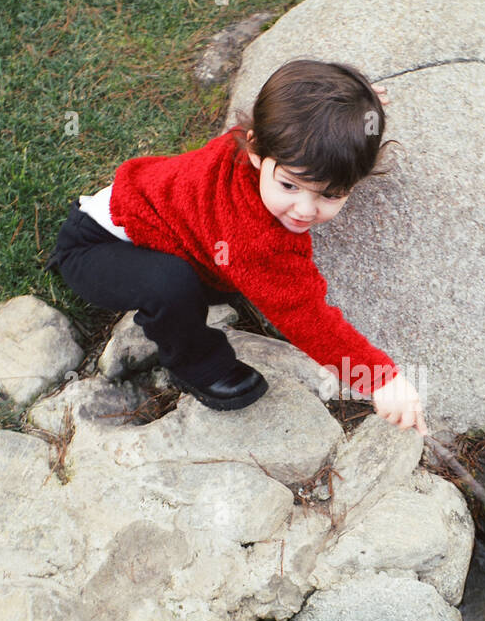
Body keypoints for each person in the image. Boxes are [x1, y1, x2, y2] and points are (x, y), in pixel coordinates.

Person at [45, 58, 426, 435]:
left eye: (330, 194)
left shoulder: (263, 143)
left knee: (200, 276)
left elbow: (298, 107)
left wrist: (350, 118)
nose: (305, 209)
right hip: (94, 249)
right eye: (290, 186)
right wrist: (379, 379)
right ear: (257, 152)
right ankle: (198, 365)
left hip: (176, 240)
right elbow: (305, 316)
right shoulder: (253, 236)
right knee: (170, 285)